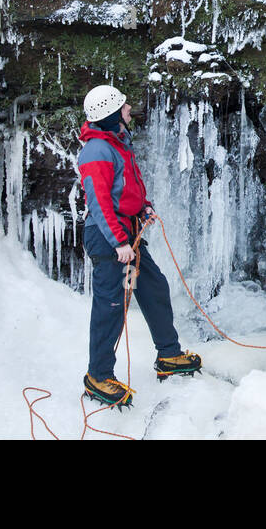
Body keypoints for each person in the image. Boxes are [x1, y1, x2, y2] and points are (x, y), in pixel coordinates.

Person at [77, 84, 201, 407]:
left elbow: (127, 186)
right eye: (122, 106)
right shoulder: (95, 152)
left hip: (128, 234)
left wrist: (143, 206)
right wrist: (119, 241)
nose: (129, 108)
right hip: (108, 239)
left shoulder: (117, 142)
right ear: (109, 115)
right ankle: (98, 376)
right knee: (111, 305)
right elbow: (100, 202)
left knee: (154, 287)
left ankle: (168, 356)